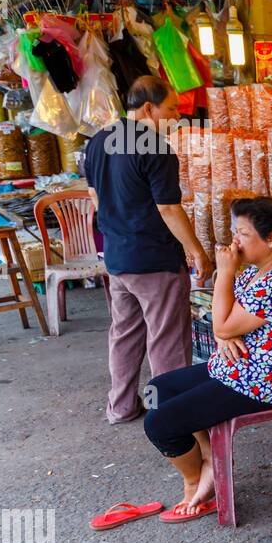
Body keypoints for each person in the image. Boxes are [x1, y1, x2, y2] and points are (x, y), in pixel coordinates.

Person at [142, 197, 272, 521]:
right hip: (239, 367)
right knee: (156, 390)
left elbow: (222, 323)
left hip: (261, 382)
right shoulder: (258, 273)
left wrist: (224, 274)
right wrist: (228, 336)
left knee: (159, 424)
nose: (234, 241)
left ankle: (195, 482)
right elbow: (229, 318)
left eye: (243, 234)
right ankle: (210, 460)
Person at [86, 75, 213, 424]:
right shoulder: (155, 147)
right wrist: (197, 251)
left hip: (116, 258)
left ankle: (121, 407)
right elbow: (169, 208)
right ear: (148, 108)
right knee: (167, 340)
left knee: (124, 334)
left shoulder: (98, 141)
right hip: (154, 260)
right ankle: (169, 414)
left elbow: (94, 196)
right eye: (171, 109)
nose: (176, 118)